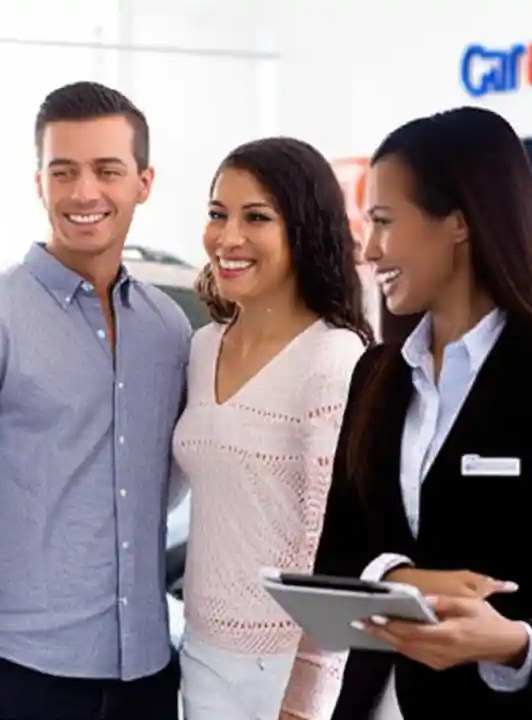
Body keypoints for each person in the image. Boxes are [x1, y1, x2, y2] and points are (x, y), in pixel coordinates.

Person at [311, 106, 532, 718]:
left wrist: (512, 643)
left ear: (458, 223)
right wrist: (404, 582)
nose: (369, 250)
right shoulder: (376, 375)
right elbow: (336, 557)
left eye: (383, 221)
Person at [0, 80, 191, 720]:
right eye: (64, 171)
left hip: (147, 676)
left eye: (107, 170)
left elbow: (158, 487)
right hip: (18, 681)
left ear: (143, 182)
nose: (84, 192)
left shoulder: (167, 329)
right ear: (39, 183)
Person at [169, 137, 374, 720]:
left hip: (284, 670)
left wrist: (305, 700)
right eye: (218, 214)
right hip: (201, 653)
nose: (227, 237)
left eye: (256, 217)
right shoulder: (202, 348)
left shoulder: (333, 358)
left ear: (304, 230)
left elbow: (334, 549)